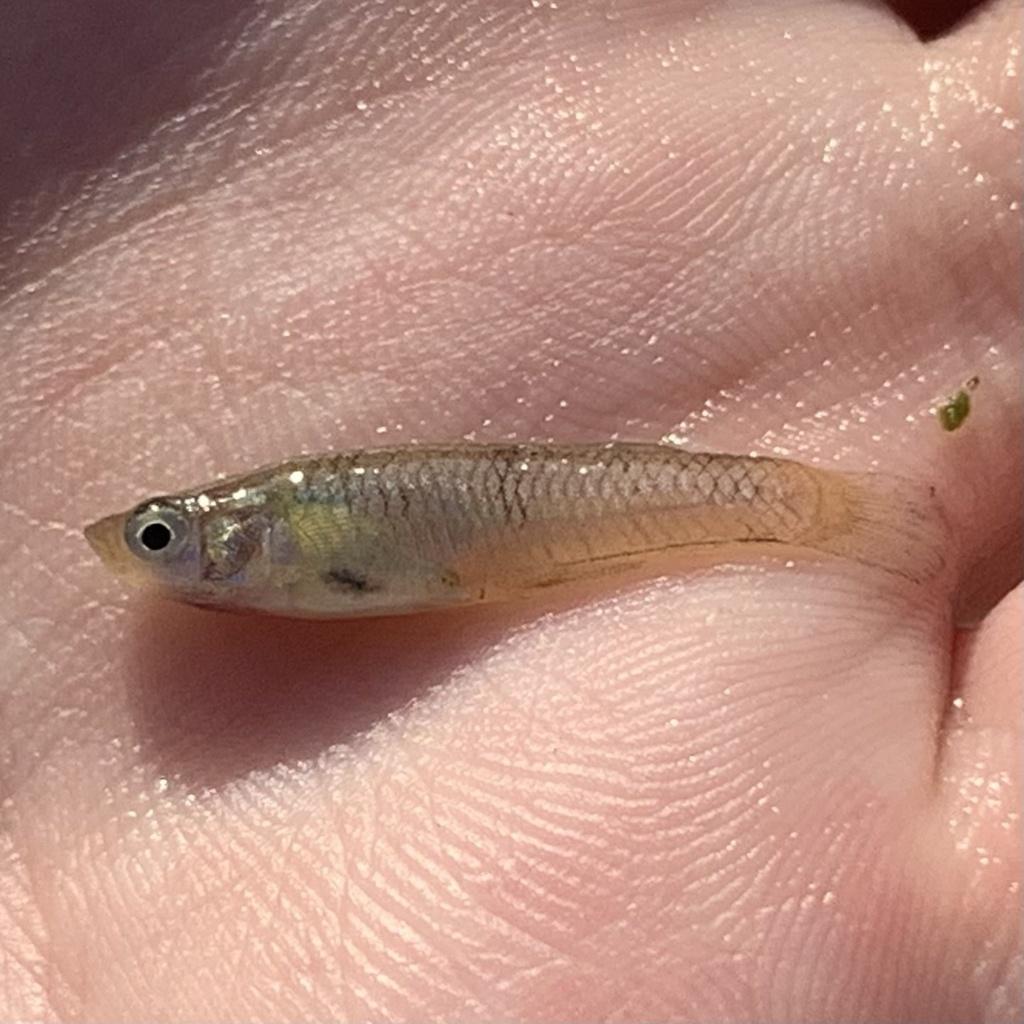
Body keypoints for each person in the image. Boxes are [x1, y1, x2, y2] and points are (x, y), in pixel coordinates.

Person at [0, 0, 1019, 1019]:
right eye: (155, 537)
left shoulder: (278, 532)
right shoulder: (275, 549)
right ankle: (804, 511)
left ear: (227, 534)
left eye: (160, 536)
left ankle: (809, 511)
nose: (147, 553)